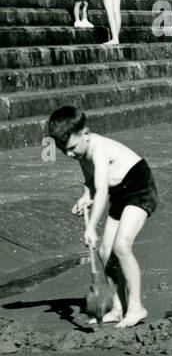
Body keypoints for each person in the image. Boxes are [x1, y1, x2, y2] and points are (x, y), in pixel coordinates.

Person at [47, 105, 156, 328]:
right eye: (63, 150)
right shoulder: (80, 151)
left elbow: (102, 190)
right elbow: (92, 184)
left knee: (122, 246)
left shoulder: (98, 149)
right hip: (119, 192)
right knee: (105, 251)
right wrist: (85, 197)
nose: (69, 154)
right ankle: (118, 307)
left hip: (139, 186)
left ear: (85, 133)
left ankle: (136, 307)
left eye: (72, 147)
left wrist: (91, 227)